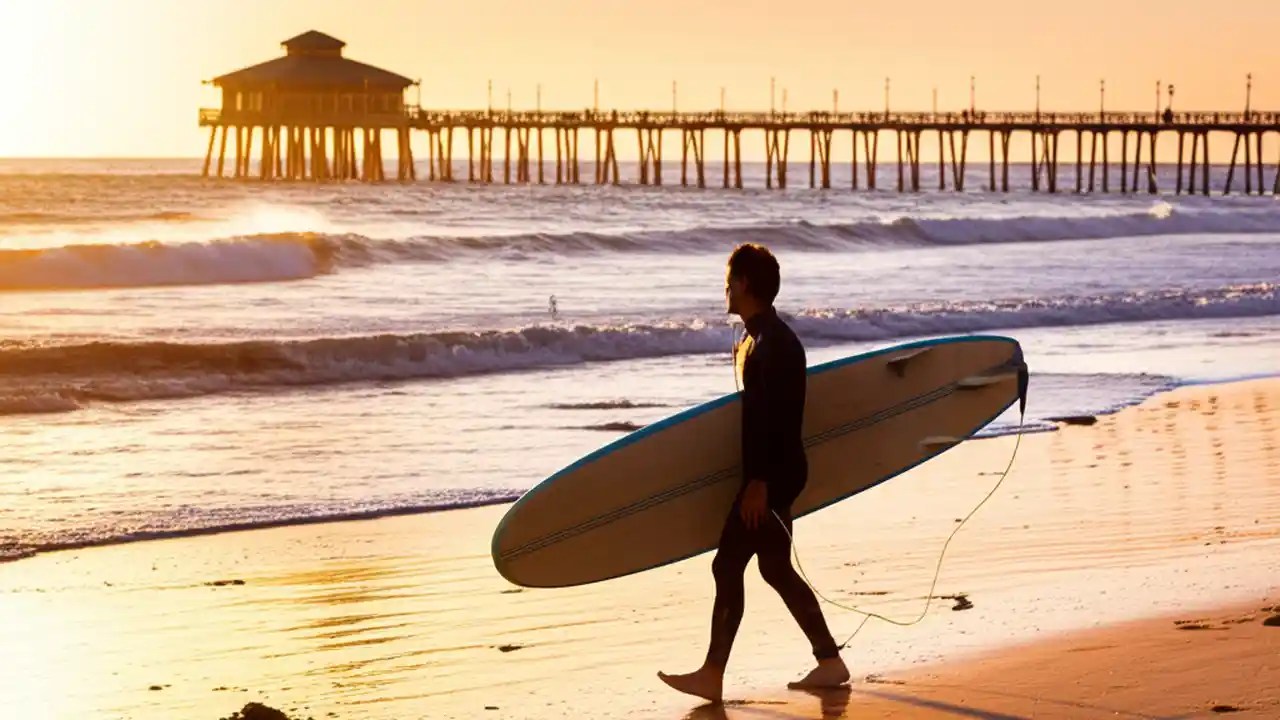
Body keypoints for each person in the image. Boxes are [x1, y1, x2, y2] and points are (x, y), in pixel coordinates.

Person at [658, 243, 849, 703]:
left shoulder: (773, 345)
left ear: (743, 284)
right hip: (776, 471)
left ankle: (712, 674)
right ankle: (829, 661)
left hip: (773, 475)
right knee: (776, 568)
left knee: (728, 565)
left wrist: (759, 485)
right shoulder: (761, 338)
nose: (725, 287)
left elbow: (776, 420)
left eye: (729, 278)